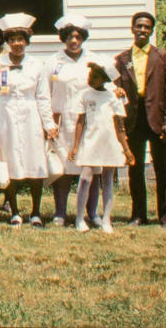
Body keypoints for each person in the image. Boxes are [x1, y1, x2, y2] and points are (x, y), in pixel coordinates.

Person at [0, 13, 56, 227]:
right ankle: (14, 211)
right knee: (9, 163)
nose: (17, 44)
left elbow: (43, 96)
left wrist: (48, 123)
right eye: (13, 40)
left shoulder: (37, 65)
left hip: (30, 115)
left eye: (20, 40)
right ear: (7, 42)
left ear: (26, 41)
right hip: (5, 117)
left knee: (35, 163)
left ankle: (35, 212)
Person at [47, 14, 118, 227]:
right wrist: (48, 123)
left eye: (78, 37)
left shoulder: (94, 60)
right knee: (64, 169)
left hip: (91, 121)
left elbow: (107, 87)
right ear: (63, 38)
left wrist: (119, 90)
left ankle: (92, 213)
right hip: (64, 121)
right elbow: (45, 93)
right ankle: (60, 212)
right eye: (69, 37)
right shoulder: (53, 62)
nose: (74, 41)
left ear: (83, 38)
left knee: (91, 168)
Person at [114, 11, 166, 227]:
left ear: (151, 30)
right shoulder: (122, 59)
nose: (142, 30)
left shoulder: (163, 56)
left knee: (163, 169)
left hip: (158, 119)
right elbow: (118, 89)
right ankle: (138, 214)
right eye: (139, 26)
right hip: (134, 119)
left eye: (147, 27)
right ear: (132, 28)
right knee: (135, 168)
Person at [67, 64, 134, 234]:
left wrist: (126, 149)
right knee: (85, 178)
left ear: (105, 80)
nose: (91, 78)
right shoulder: (85, 95)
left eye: (96, 76)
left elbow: (120, 126)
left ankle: (106, 219)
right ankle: (79, 218)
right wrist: (75, 147)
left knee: (108, 180)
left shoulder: (114, 97)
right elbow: (80, 122)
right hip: (91, 141)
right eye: (90, 74)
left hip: (109, 142)